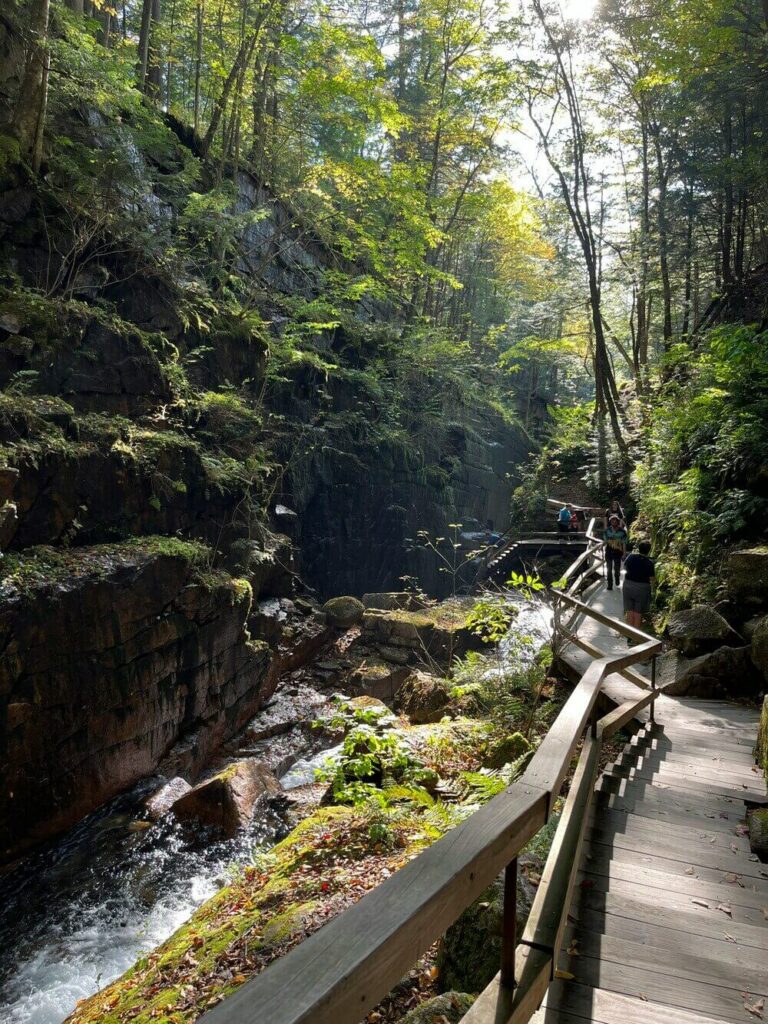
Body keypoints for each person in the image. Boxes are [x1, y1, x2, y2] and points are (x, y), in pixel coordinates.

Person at [622, 539, 655, 633]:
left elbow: (625, 567)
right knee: (638, 613)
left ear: (639, 548)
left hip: (628, 585)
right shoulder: (649, 563)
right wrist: (653, 590)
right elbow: (652, 579)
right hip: (642, 588)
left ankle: (629, 635)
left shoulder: (631, 557)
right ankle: (635, 636)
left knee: (629, 611)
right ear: (649, 550)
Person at [603, 513, 627, 590]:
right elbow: (605, 540)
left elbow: (624, 543)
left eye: (615, 520)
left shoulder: (622, 531)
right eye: (612, 521)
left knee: (617, 570)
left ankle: (617, 579)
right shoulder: (607, 530)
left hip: (618, 551)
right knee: (609, 569)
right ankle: (609, 585)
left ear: (617, 521)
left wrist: (624, 553)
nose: (613, 522)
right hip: (609, 551)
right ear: (610, 522)